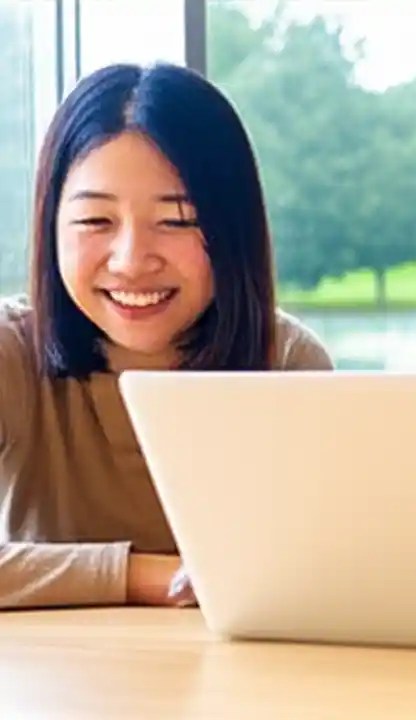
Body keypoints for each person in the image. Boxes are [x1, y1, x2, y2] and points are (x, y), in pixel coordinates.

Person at [0, 63, 333, 610]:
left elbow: (332, 570)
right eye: (95, 222)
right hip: (48, 689)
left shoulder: (289, 363)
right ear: (50, 224)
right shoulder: (15, 355)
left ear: (233, 230)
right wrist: (150, 576)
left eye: (177, 221)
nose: (131, 261)